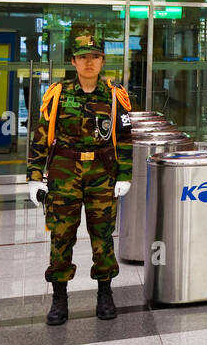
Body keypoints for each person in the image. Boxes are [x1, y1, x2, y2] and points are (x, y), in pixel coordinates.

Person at [27, 24, 134, 325]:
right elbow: (40, 136)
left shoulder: (115, 96)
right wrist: (35, 176)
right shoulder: (58, 94)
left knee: (102, 237)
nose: (90, 62)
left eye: (96, 56)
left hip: (102, 173)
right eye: (83, 56)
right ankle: (59, 298)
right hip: (64, 173)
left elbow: (125, 138)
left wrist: (125, 174)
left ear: (103, 61)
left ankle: (105, 293)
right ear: (73, 61)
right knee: (61, 237)